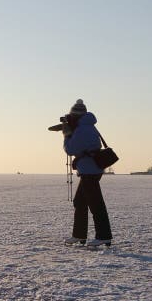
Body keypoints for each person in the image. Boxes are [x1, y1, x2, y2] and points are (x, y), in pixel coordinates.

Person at [62, 99, 113, 246]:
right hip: (91, 169)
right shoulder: (87, 126)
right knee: (80, 202)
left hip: (89, 171)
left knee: (96, 204)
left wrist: (66, 135)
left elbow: (70, 149)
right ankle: (79, 235)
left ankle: (104, 236)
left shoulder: (82, 129)